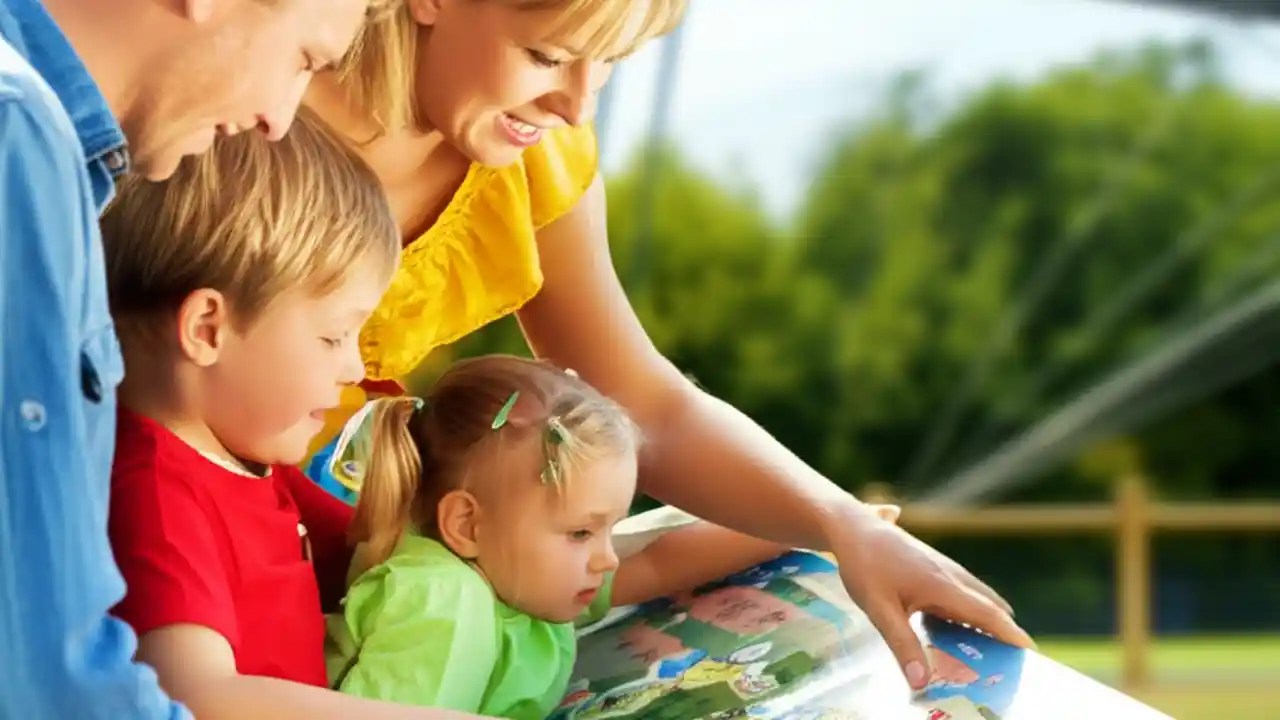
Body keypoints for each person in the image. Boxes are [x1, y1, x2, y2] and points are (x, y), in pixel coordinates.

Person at [303, 0, 1035, 689]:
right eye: (547, 54)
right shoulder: (254, 123)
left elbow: (648, 406)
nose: (577, 105)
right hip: (240, 539)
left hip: (368, 533)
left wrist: (843, 524)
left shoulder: (536, 156)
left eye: (610, 58)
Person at [0, 0, 369, 716]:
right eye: (302, 60)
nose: (280, 119)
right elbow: (54, 682)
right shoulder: (19, 147)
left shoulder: (51, 165)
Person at [99, 111, 482, 720]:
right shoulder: (155, 498)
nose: (355, 368)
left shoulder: (245, 460)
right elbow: (197, 697)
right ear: (207, 328)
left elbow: (384, 556)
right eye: (334, 337)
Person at [327, 356, 793, 718]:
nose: (606, 558)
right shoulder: (442, 603)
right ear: (467, 525)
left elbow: (657, 561)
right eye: (580, 532)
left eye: (609, 529)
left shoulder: (519, 579)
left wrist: (804, 527)